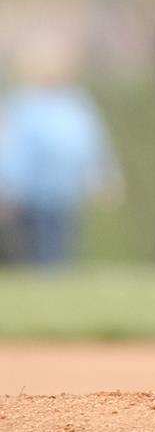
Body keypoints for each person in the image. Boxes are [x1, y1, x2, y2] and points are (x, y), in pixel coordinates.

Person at [0, 36, 120, 267]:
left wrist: (101, 175)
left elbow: (91, 144)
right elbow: (12, 150)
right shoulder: (23, 105)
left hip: (64, 191)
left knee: (61, 241)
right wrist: (9, 186)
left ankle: (55, 278)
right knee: (36, 244)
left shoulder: (76, 105)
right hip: (32, 193)